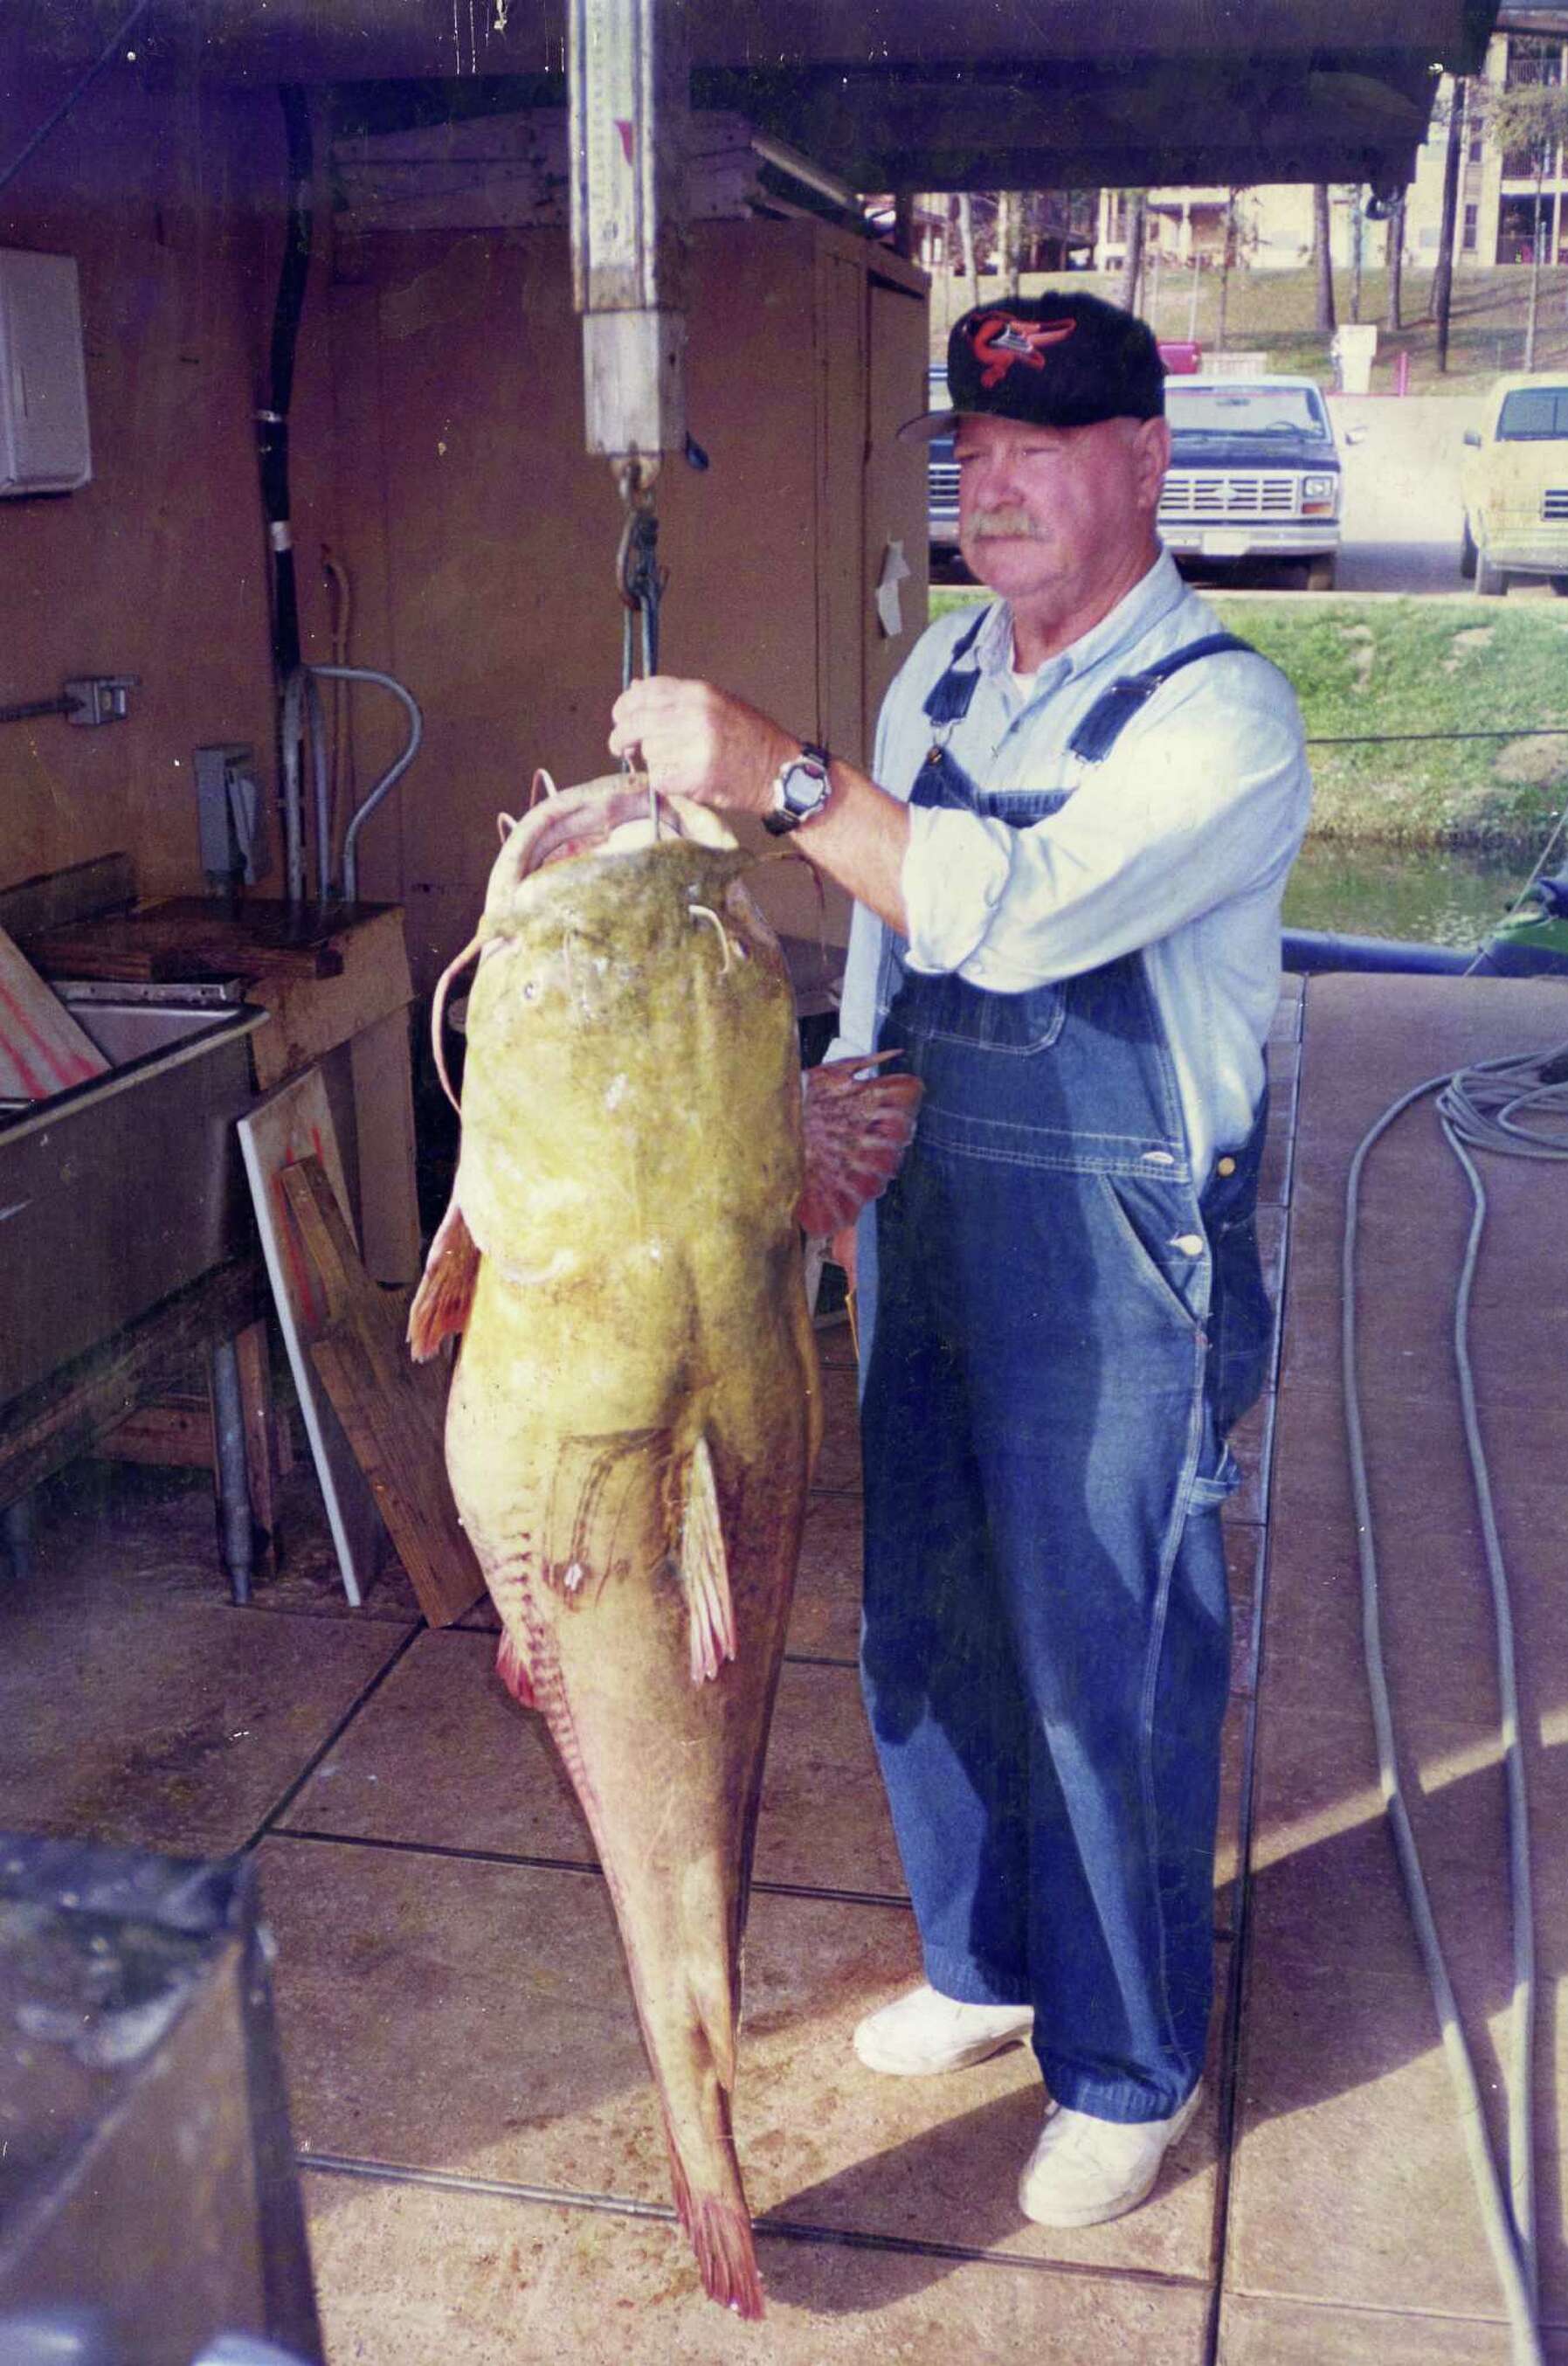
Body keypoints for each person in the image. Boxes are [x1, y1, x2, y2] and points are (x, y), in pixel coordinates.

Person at [609, 290, 1311, 2229]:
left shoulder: (1225, 715)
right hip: (928, 1215)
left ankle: (1129, 2065)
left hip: (1119, 1246)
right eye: (973, 454)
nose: (992, 490)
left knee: (1103, 1662)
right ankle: (987, 1960)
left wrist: (783, 774)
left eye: (1042, 450)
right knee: (921, 1623)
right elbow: (893, 937)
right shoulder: (943, 665)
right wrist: (840, 1107)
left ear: (1147, 460)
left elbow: (1013, 910)